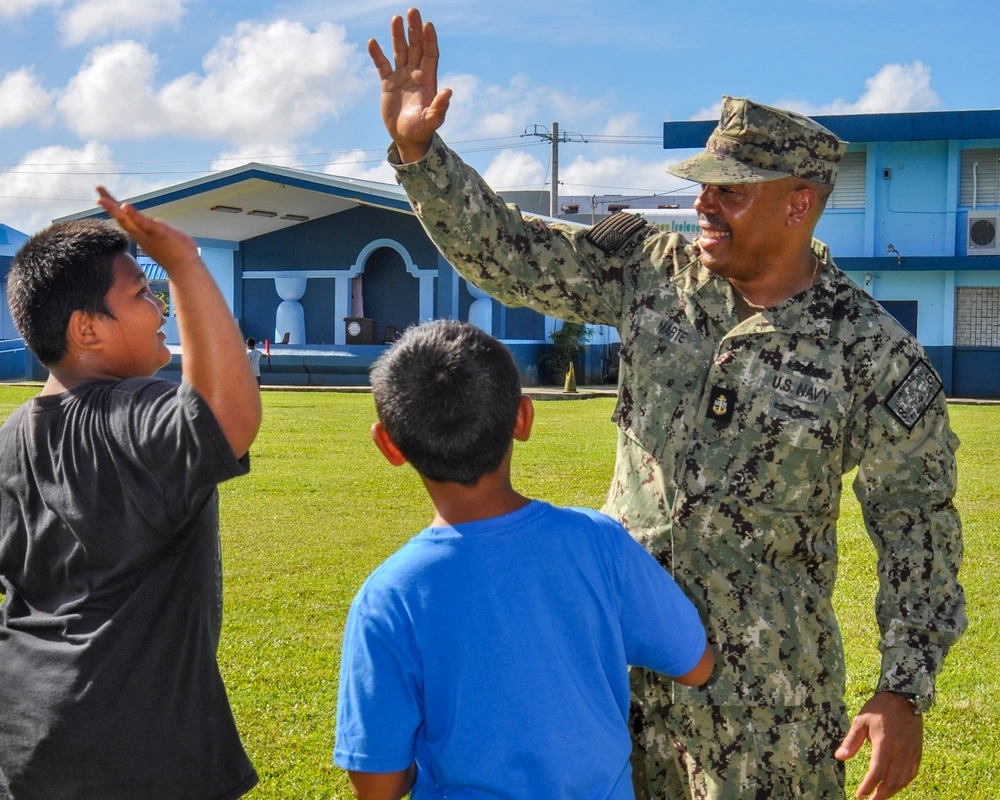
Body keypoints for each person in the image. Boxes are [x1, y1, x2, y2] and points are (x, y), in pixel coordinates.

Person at [367, 10, 967, 800]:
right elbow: (508, 252)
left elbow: (917, 520)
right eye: (705, 187)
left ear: (799, 205)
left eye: (731, 192)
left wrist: (905, 685)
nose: (705, 206)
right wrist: (420, 152)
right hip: (610, 672)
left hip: (769, 708)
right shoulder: (650, 272)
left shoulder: (871, 352)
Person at [333, 319, 714, 800]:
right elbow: (695, 665)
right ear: (523, 418)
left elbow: (378, 783)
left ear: (388, 444)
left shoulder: (388, 598)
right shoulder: (598, 542)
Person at [0, 189, 262, 800]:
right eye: (143, 295)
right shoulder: (133, 409)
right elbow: (224, 415)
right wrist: (185, 264)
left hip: (26, 742)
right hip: (142, 752)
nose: (161, 305)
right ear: (87, 329)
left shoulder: (9, 438)